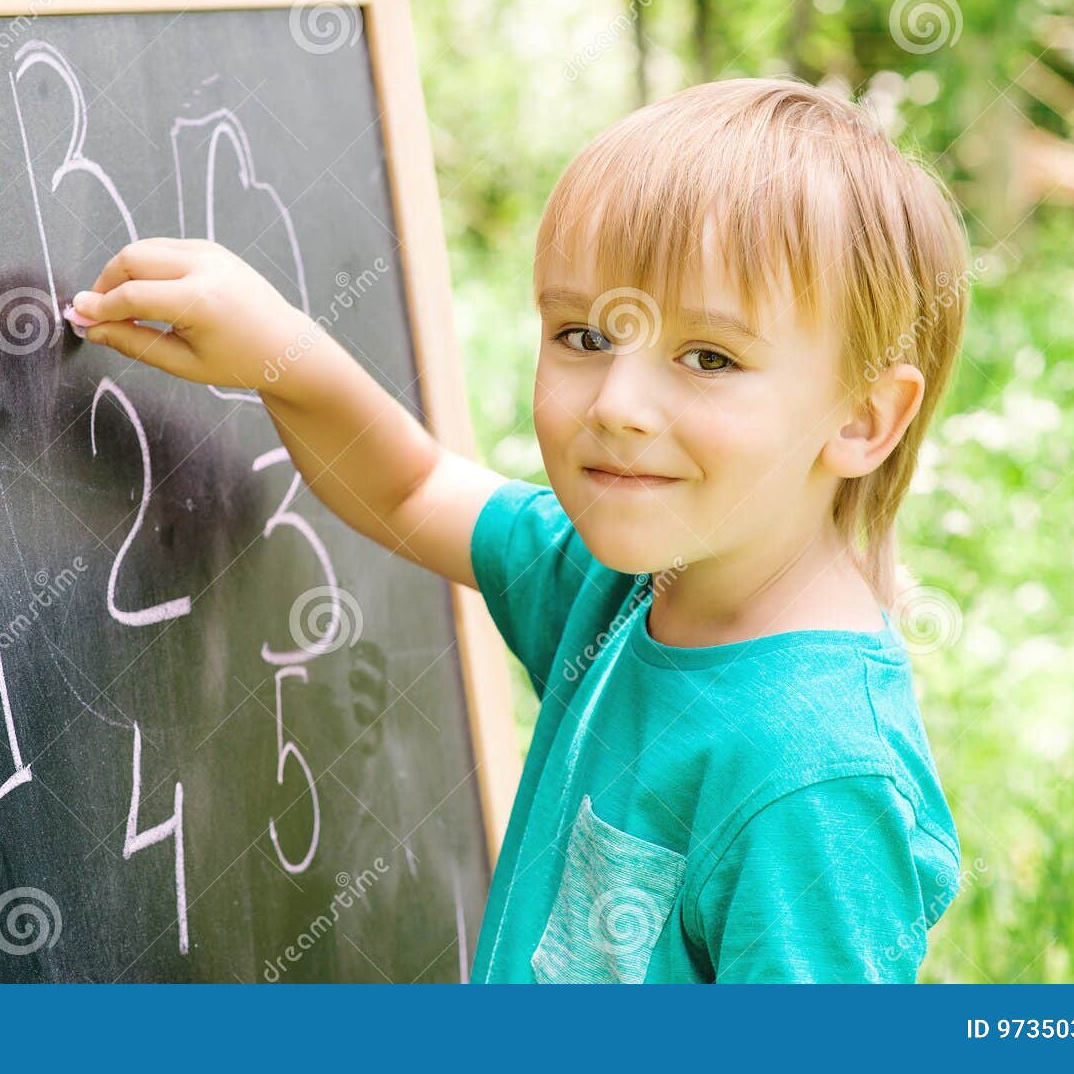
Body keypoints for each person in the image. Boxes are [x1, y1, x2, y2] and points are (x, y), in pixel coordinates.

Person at [65, 76, 969, 983]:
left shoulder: (816, 778)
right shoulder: (623, 589)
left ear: (863, 419)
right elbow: (414, 488)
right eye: (584, 337)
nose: (616, 404)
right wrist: (280, 352)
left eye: (708, 357)